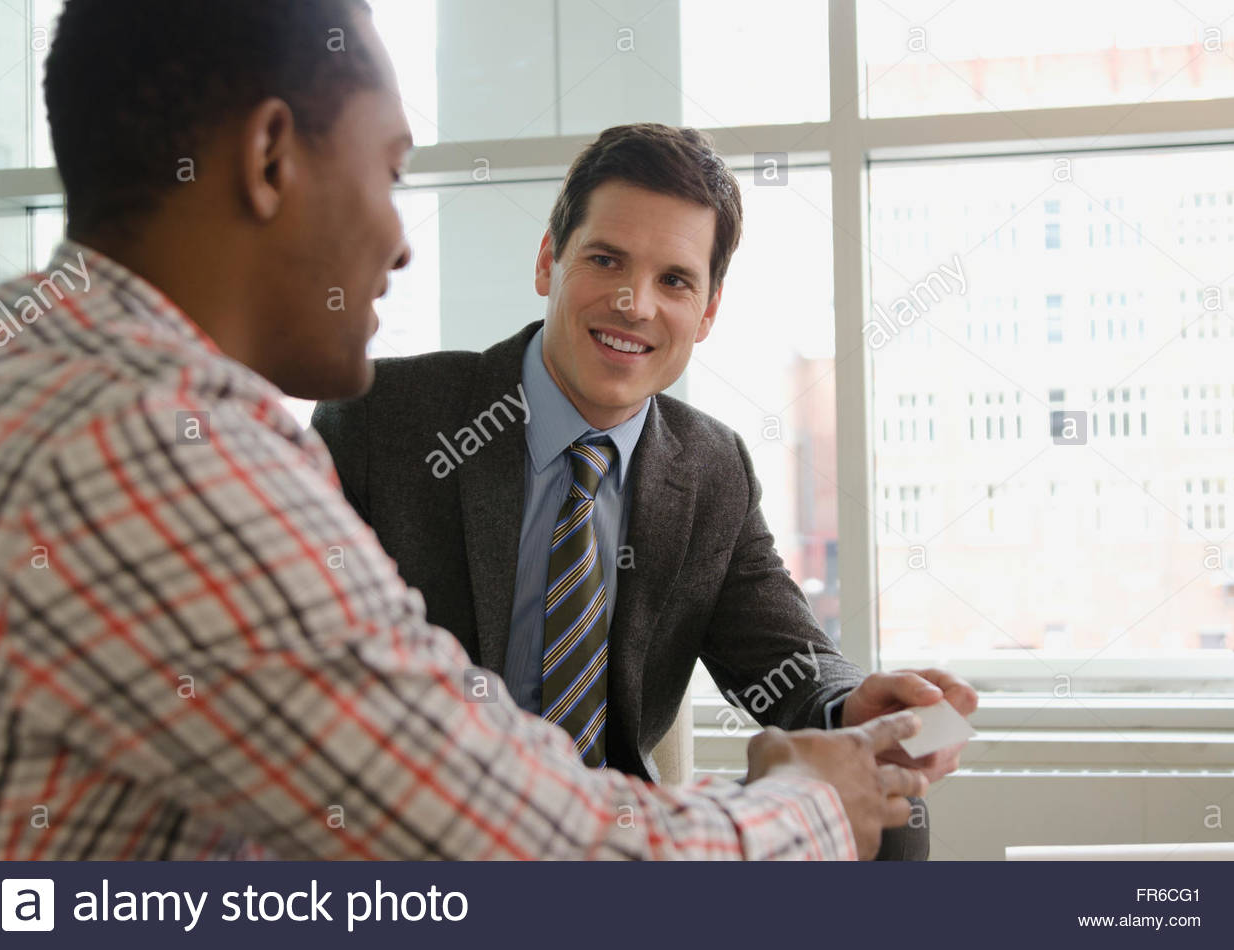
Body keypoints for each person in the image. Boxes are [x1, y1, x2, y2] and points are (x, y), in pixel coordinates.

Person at [0, 0, 926, 861]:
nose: (400, 239)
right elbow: (519, 842)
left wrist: (844, 717)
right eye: (387, 171)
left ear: (708, 306)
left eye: (675, 279)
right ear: (269, 158)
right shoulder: (159, 447)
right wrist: (812, 802)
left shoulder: (15, 359)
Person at [313, 123, 979, 859]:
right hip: (422, 836)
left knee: (893, 818)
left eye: (675, 280)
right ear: (548, 260)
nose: (635, 305)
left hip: (620, 851)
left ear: (709, 310)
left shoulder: (711, 467)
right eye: (606, 260)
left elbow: (784, 659)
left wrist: (853, 703)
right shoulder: (386, 419)